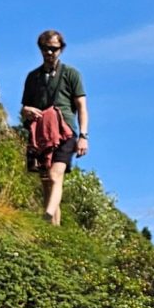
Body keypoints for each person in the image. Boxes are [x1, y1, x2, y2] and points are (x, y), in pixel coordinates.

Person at [18, 29, 89, 225]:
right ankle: (54, 230)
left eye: (53, 49)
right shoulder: (33, 77)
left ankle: (46, 216)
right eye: (45, 48)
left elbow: (82, 106)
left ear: (61, 49)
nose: (49, 52)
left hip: (65, 131)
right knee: (47, 183)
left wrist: (83, 136)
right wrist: (27, 111)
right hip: (40, 134)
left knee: (55, 174)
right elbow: (24, 107)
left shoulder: (71, 74)